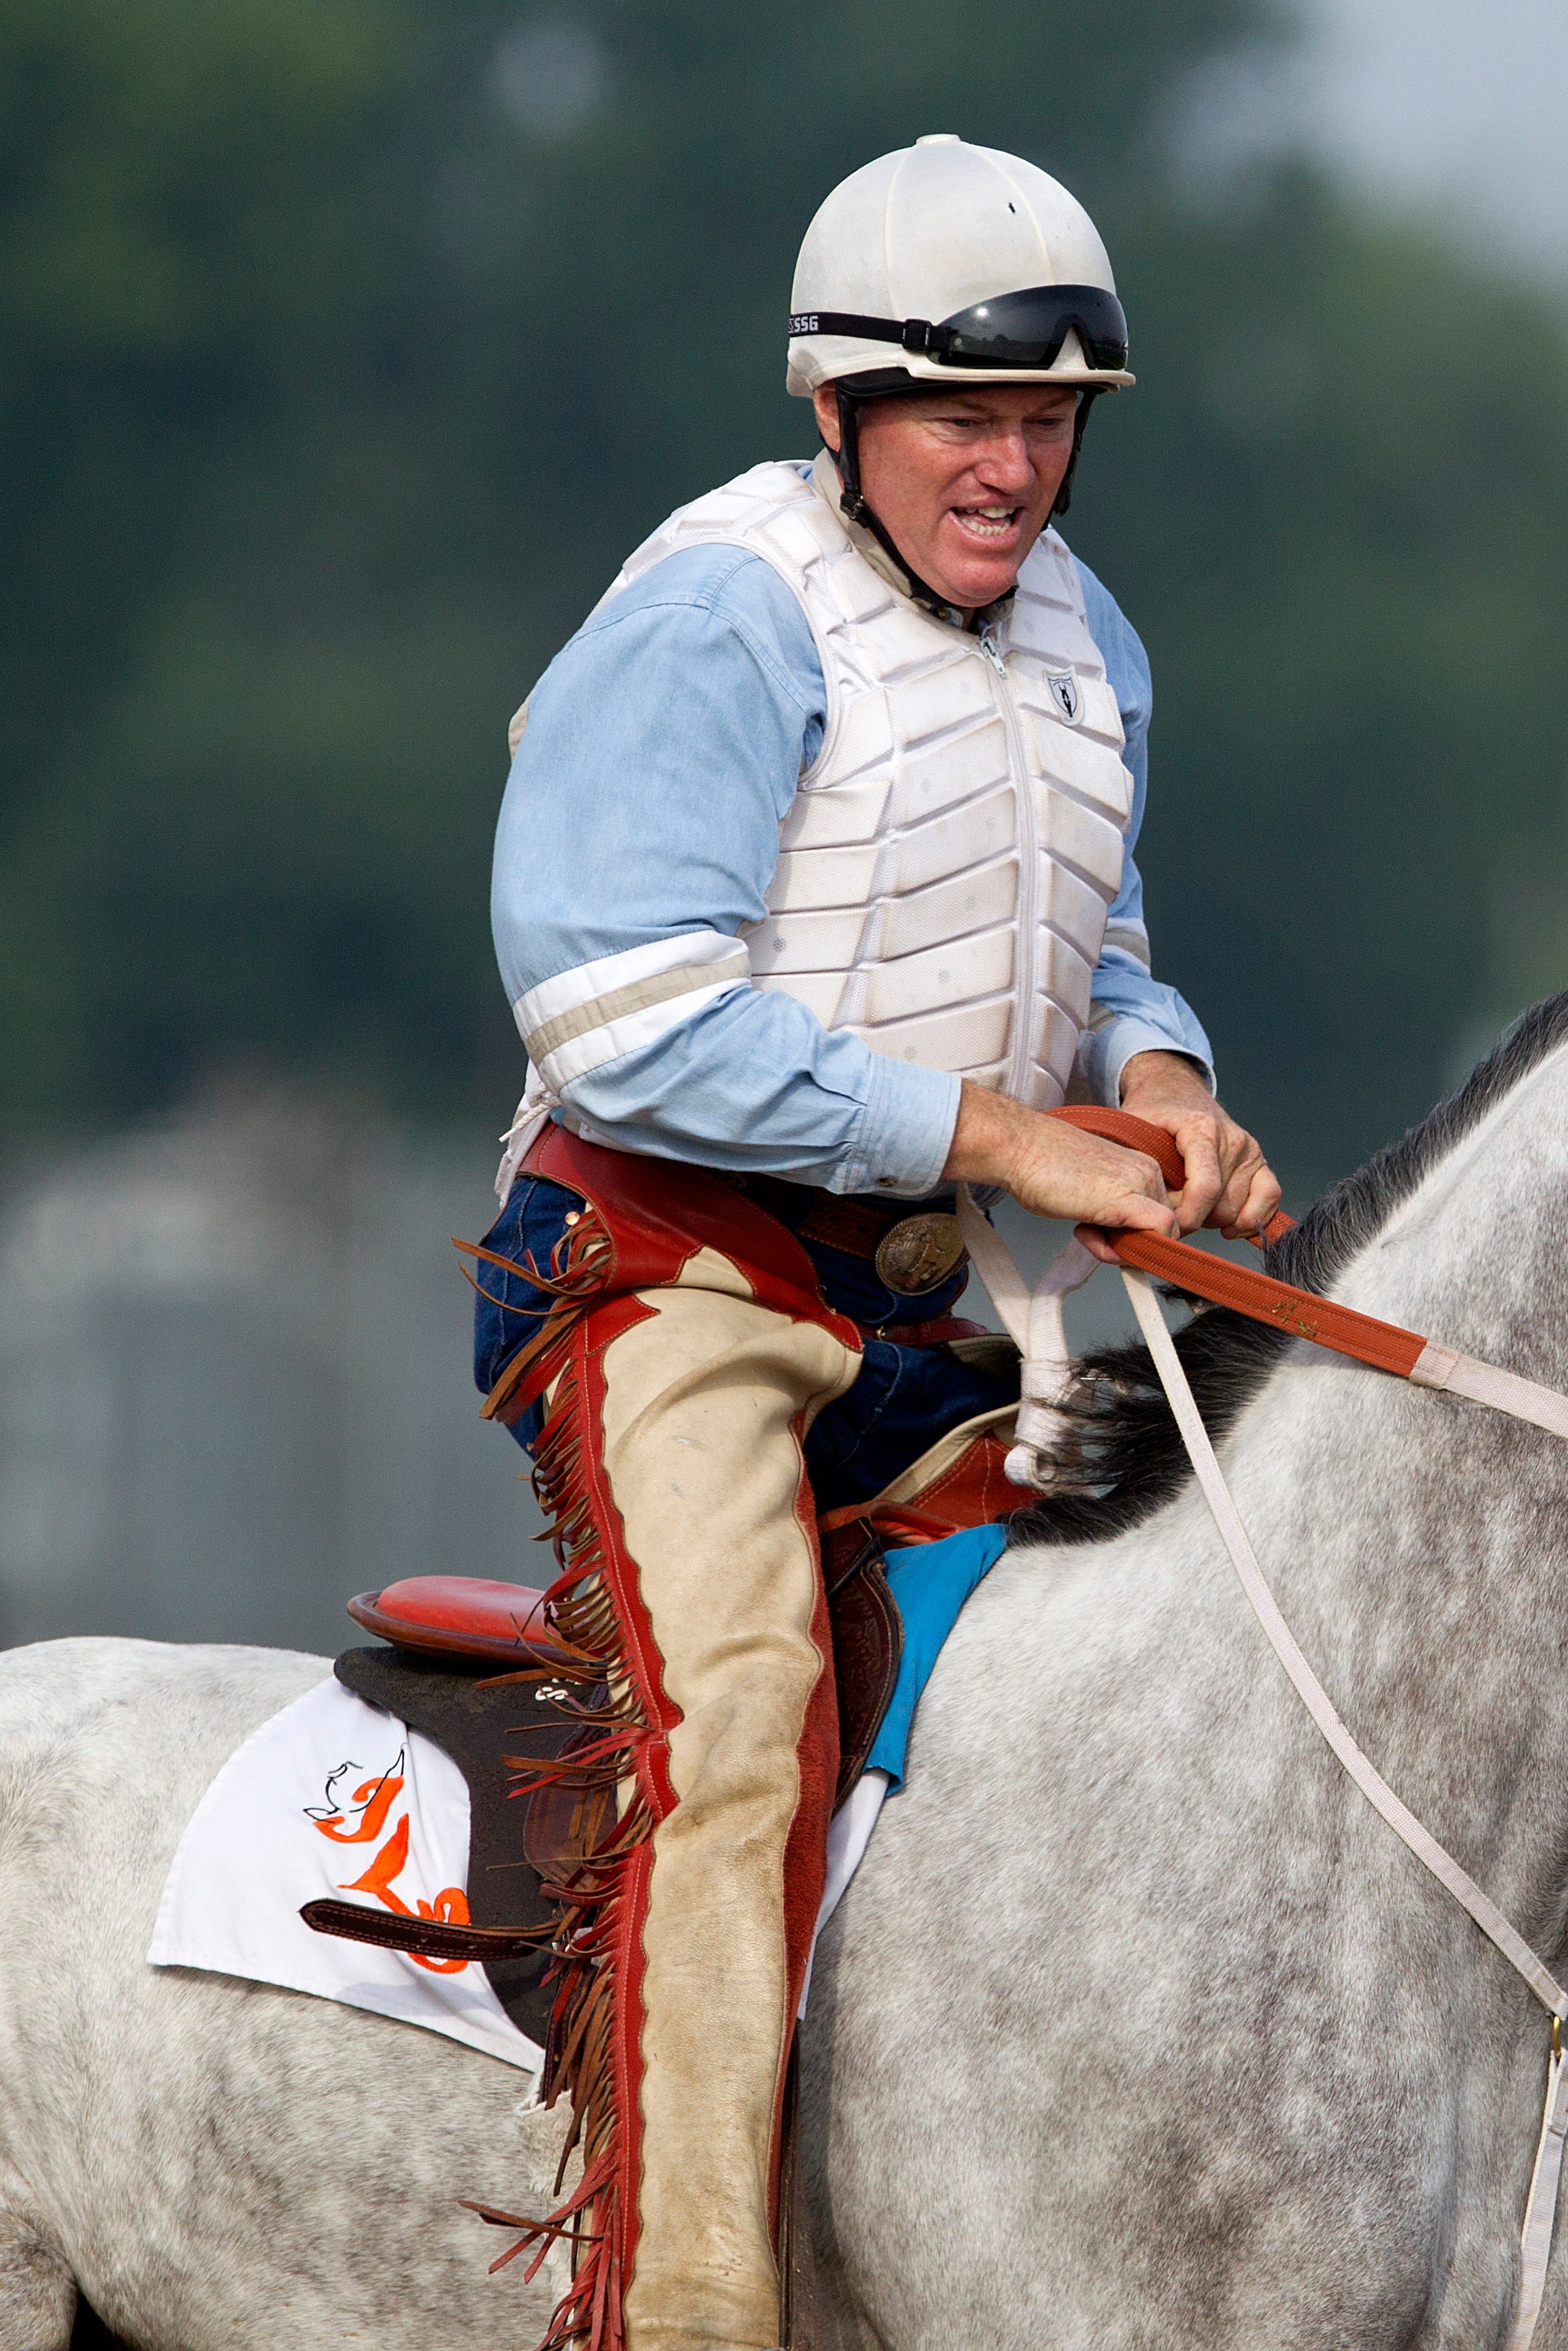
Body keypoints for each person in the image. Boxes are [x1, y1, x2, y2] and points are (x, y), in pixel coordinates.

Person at [466, 134, 1279, 2351]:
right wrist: (1009, 1133)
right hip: (660, 1279)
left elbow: (1101, 948)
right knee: (739, 1726)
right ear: (838, 412)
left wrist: (1163, 1086)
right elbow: (620, 1014)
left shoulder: (1095, 644)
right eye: (962, 418)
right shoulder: (721, 615)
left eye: (1050, 426)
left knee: (1141, 1702)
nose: (1012, 469)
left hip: (927, 1317)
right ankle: (688, 2315)